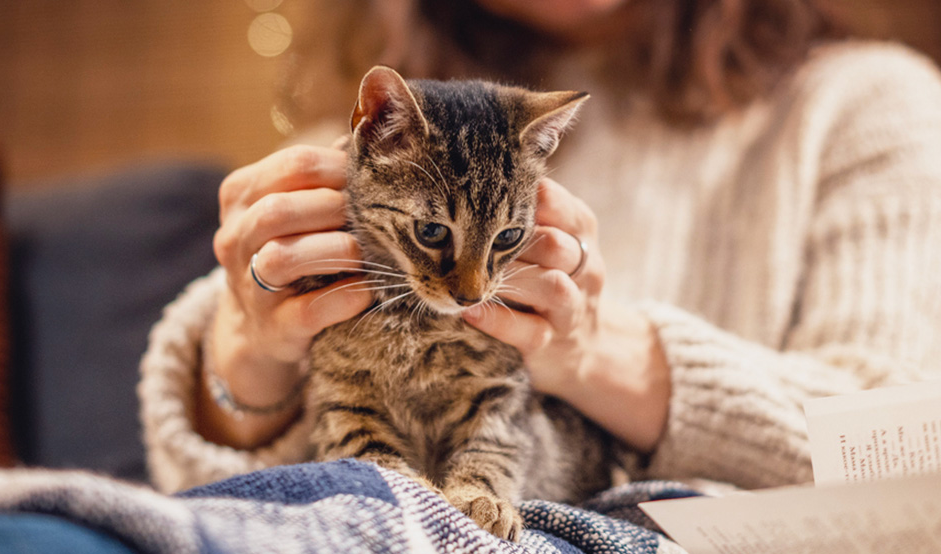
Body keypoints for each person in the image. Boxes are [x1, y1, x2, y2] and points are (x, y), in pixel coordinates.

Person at [140, 0, 941, 495]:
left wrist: (606, 356)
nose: (467, 282)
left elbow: (905, 458)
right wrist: (247, 359)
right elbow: (203, 513)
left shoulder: (867, 106)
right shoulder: (371, 144)